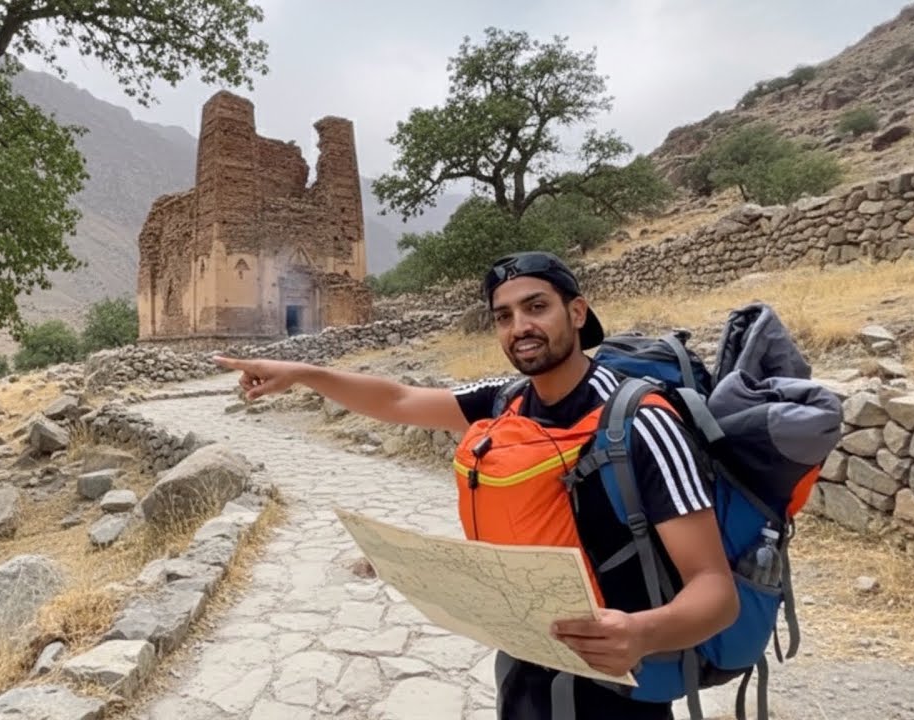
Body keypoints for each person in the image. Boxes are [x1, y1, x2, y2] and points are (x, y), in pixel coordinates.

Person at [214, 251, 739, 720]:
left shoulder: (640, 422)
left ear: (577, 314)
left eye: (537, 307)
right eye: (504, 316)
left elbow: (716, 593)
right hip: (522, 670)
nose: (520, 327)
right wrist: (304, 373)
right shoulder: (505, 398)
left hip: (621, 693)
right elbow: (398, 401)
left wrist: (640, 634)